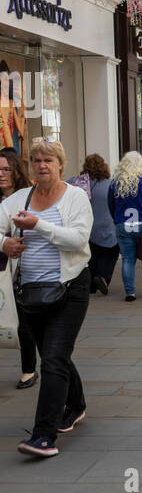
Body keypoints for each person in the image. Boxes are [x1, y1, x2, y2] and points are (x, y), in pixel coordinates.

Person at [0, 138, 93, 458]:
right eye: (36, 160)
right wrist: (4, 244)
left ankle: (43, 435)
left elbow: (79, 239)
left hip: (71, 291)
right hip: (31, 294)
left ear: (60, 165)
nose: (42, 165)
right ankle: (76, 404)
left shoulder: (76, 198)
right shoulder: (16, 201)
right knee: (58, 356)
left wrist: (38, 225)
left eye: (48, 160)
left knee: (52, 358)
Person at [0, 146, 38, 389]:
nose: (1, 174)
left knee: (22, 320)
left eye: (6, 169)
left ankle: (28, 369)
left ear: (16, 171)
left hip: (18, 269)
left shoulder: (26, 197)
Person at [107, 152, 142, 301]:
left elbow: (110, 204)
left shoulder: (115, 182)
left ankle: (129, 292)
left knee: (127, 259)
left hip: (123, 225)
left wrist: (117, 220)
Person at [81, 154, 119, 295]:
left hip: (88, 228)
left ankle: (91, 284)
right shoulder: (111, 184)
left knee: (93, 255)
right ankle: (102, 277)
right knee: (110, 253)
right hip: (108, 227)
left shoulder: (79, 183)